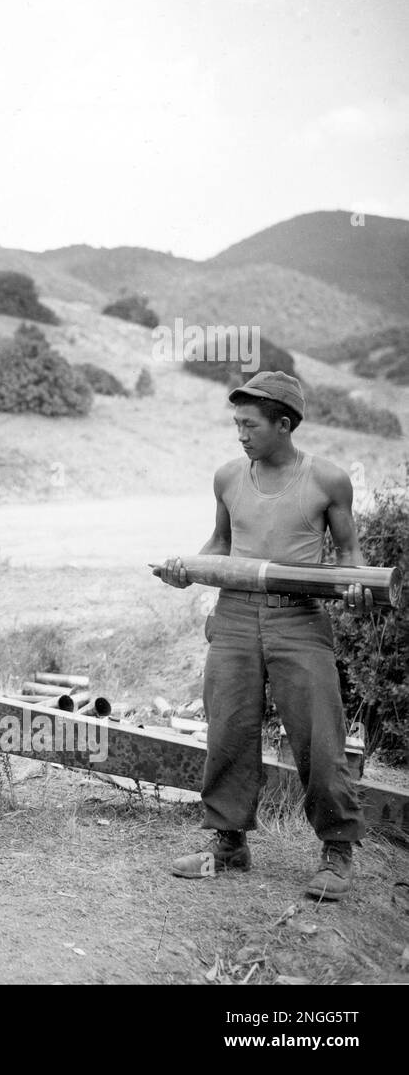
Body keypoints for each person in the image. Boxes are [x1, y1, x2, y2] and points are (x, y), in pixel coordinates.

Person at [158, 371, 371, 900]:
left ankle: (337, 853)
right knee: (228, 729)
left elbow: (349, 555)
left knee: (319, 737)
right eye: (236, 424)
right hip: (233, 617)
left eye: (250, 425)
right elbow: (221, 542)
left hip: (298, 618)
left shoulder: (328, 480)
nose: (241, 435)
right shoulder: (228, 476)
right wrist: (187, 567)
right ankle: (228, 845)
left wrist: (357, 587)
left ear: (284, 424)